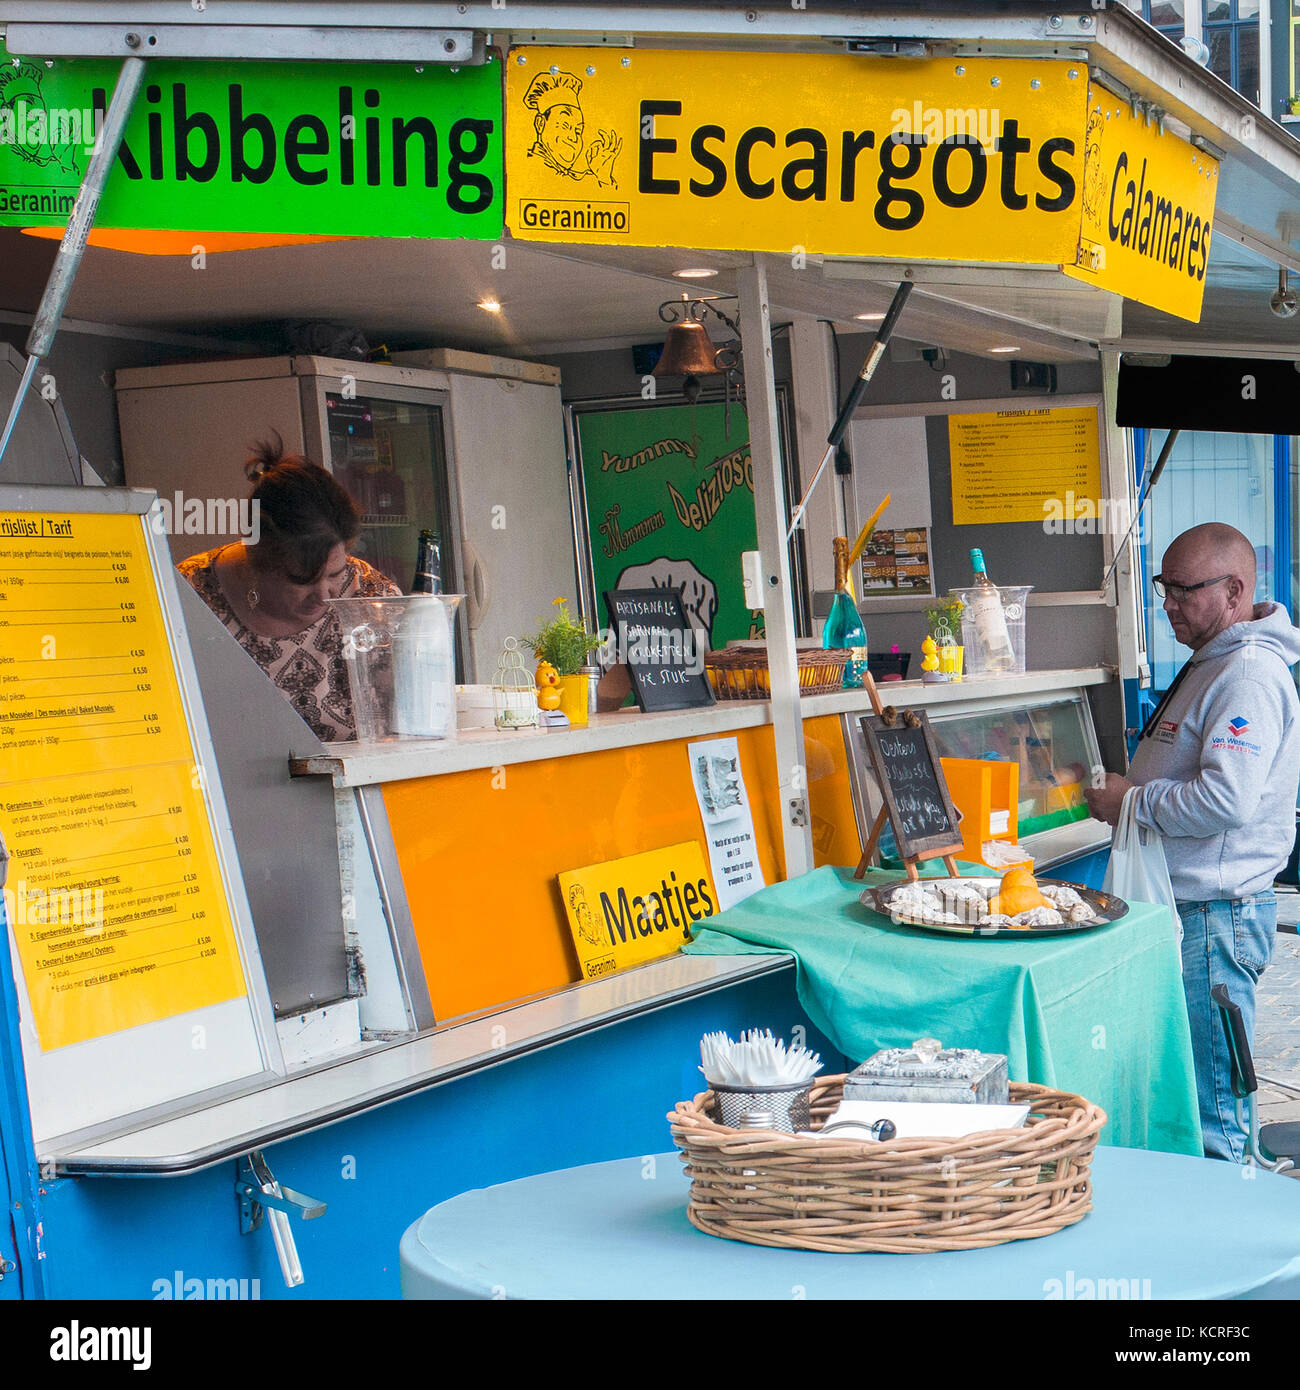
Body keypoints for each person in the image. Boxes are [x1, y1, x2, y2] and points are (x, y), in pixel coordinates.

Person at [1084, 522, 1300, 1162]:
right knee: (1187, 1090)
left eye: (1183, 590)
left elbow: (1225, 800)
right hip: (1190, 915)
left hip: (1216, 919)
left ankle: (1228, 1234)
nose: (1168, 603)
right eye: (1163, 587)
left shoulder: (1248, 675)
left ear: (1234, 590)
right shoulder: (1215, 663)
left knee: (1214, 1108)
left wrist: (1133, 801)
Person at [179, 437, 401, 742]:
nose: (325, 595)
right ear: (257, 556)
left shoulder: (372, 598)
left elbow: (408, 726)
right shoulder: (188, 597)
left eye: (335, 574)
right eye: (302, 579)